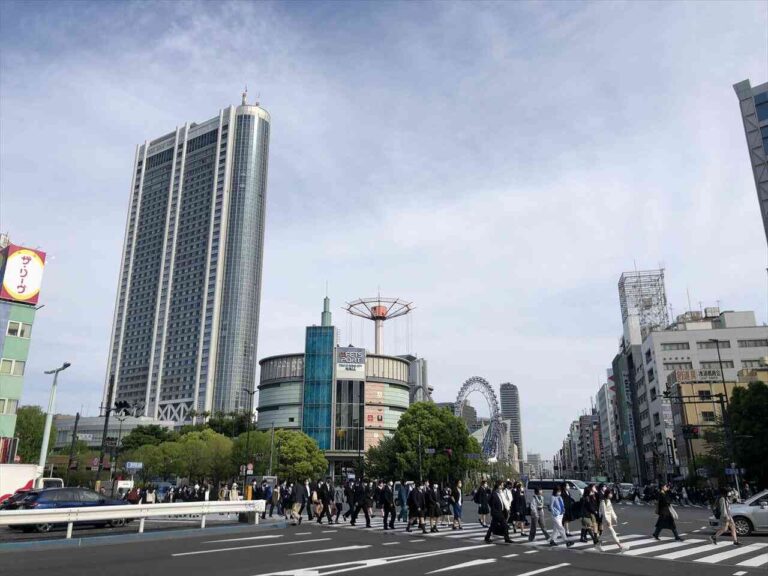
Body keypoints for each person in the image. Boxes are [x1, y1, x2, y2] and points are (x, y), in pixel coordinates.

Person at [600, 488, 628, 552]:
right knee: (613, 533)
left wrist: (615, 517)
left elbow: (611, 510)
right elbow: (604, 512)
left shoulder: (609, 501)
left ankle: (598, 545)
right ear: (607, 494)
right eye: (611, 493)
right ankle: (621, 547)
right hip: (606, 520)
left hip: (609, 519)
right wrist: (607, 521)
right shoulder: (603, 502)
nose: (612, 495)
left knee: (604, 534)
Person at [580, 485, 601, 550]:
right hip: (586, 514)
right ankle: (594, 539)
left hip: (589, 514)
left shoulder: (592, 496)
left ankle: (583, 537)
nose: (595, 488)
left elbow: (596, 502)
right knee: (589, 526)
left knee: (587, 526)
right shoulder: (586, 498)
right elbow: (589, 506)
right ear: (590, 490)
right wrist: (595, 511)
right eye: (594, 487)